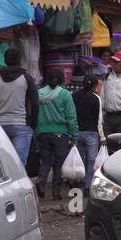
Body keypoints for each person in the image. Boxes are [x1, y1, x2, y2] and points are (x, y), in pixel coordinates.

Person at [0, 47, 39, 165]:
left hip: (0, 125)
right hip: (21, 125)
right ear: (20, 60)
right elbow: (35, 102)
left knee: (3, 164)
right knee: (18, 165)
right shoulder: (26, 78)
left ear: (4, 60)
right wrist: (33, 123)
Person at [35, 69, 79, 201]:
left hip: (42, 133)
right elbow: (71, 117)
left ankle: (40, 181)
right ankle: (56, 192)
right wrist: (74, 135)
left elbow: (34, 113)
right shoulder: (65, 94)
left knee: (46, 161)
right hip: (61, 134)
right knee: (58, 164)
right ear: (61, 79)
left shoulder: (39, 93)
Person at [73, 75, 103, 192]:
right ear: (95, 86)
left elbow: (71, 115)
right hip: (91, 133)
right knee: (91, 161)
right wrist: (102, 136)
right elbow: (99, 120)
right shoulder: (96, 98)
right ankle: (87, 185)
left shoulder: (74, 96)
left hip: (77, 133)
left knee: (80, 160)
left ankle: (78, 183)